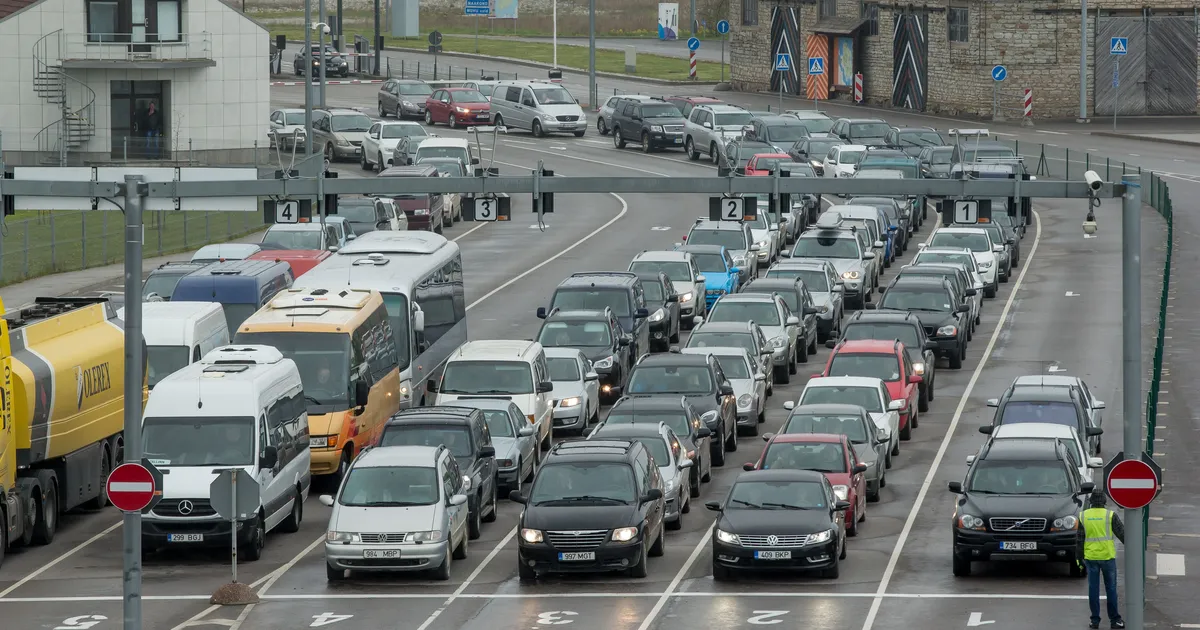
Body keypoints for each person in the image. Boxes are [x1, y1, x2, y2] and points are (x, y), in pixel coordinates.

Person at [1079, 488, 1126, 629]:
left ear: (1091, 501)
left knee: (1093, 589)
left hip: (1091, 557)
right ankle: (1115, 620)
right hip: (1107, 557)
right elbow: (1123, 535)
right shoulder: (1110, 515)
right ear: (1104, 501)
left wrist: (1078, 558)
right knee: (1111, 589)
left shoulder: (1083, 516)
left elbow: (1079, 539)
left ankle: (1094, 621)